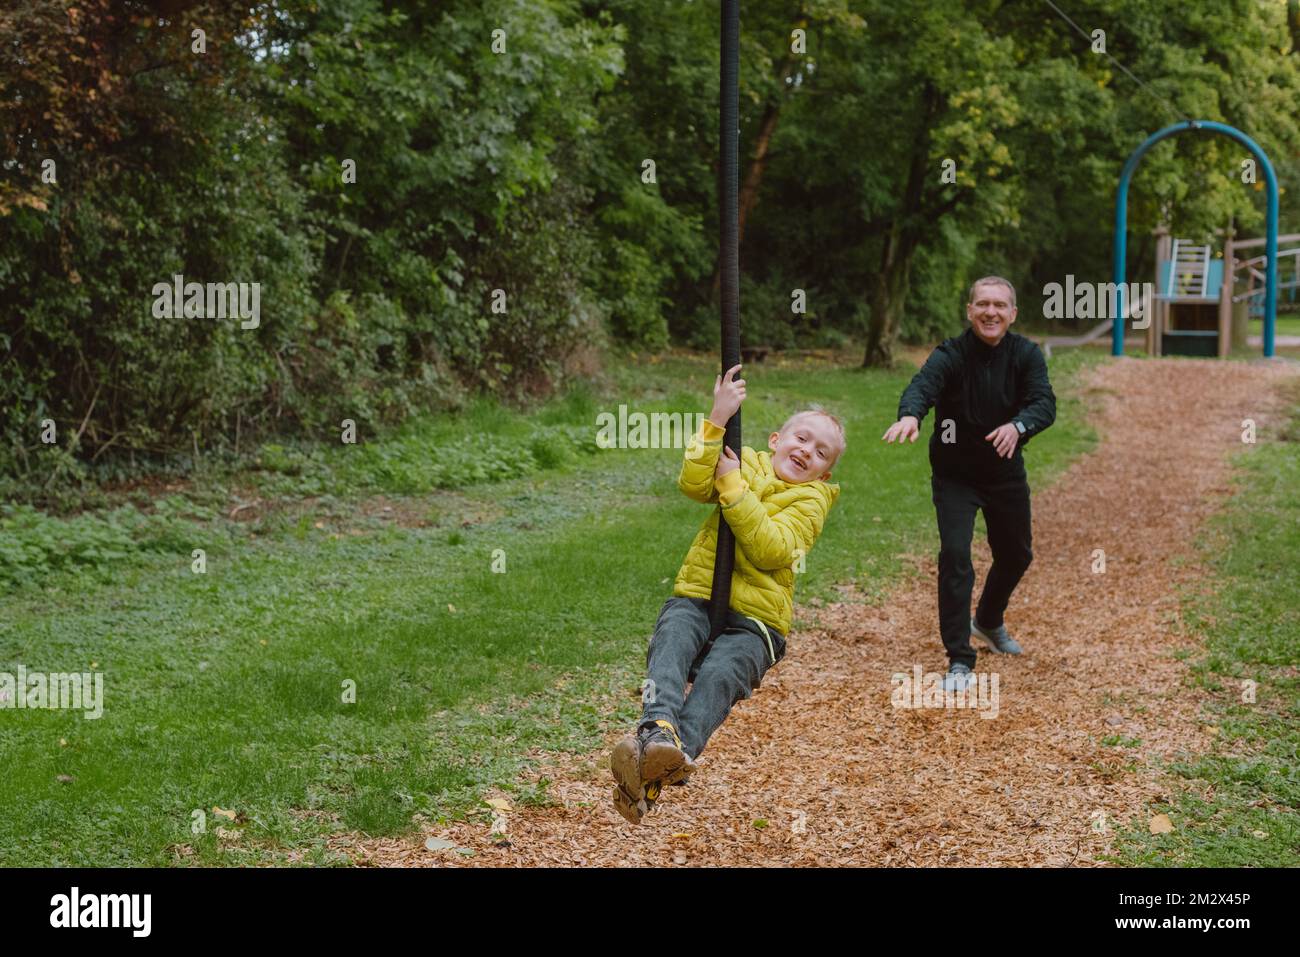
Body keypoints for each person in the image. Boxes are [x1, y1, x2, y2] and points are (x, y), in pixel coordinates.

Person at [610, 364, 844, 824]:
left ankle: (665, 757)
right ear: (777, 439)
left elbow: (772, 547)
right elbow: (693, 484)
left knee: (720, 676)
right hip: (700, 593)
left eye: (820, 452)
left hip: (758, 623)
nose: (806, 451)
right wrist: (716, 420)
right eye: (801, 438)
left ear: (824, 473)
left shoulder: (812, 501)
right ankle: (657, 730)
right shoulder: (745, 459)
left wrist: (734, 486)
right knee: (672, 643)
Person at [881, 276, 1056, 691]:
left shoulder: (1027, 355)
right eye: (982, 304)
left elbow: (1044, 403)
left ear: (1013, 314)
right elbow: (923, 385)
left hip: (1004, 474)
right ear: (969, 311)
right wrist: (911, 414)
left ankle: (989, 621)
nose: (990, 312)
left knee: (1017, 555)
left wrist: (1019, 426)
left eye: (999, 305)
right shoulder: (951, 353)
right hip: (955, 476)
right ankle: (960, 658)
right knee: (956, 556)